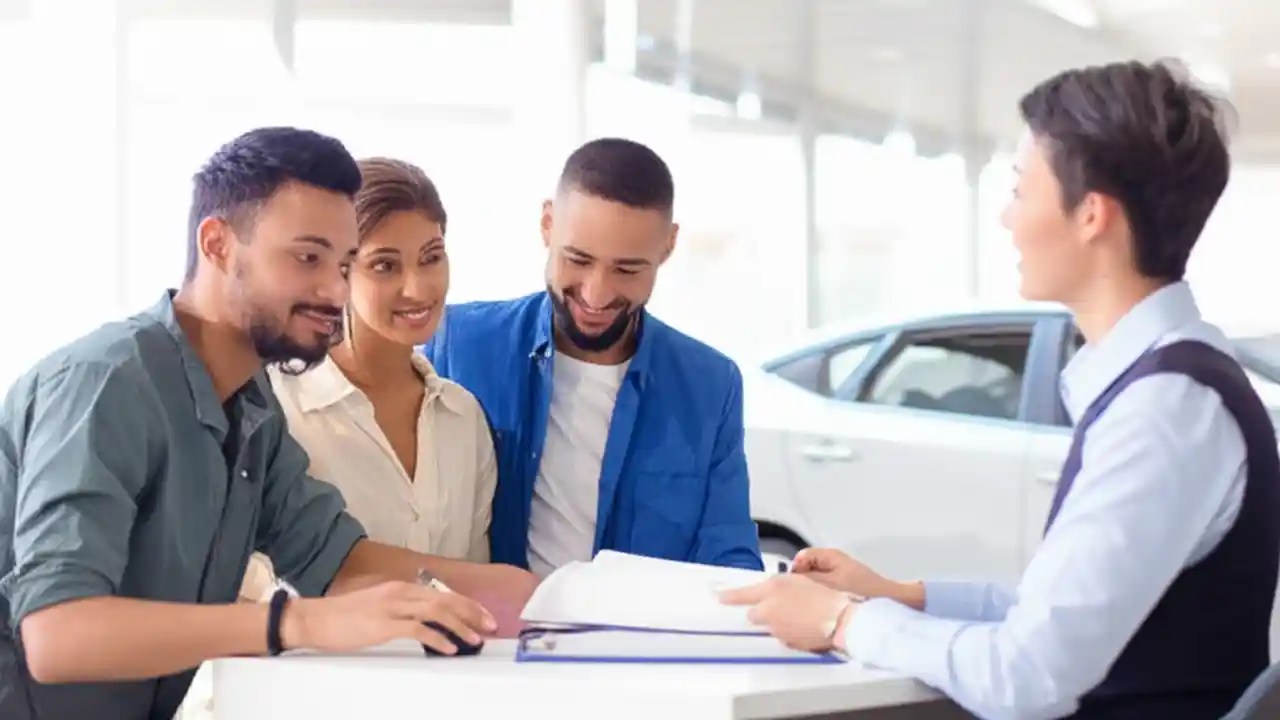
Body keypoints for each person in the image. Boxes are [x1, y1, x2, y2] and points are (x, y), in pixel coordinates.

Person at [722, 60, 1279, 720]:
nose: (1007, 218)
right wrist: (897, 595)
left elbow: (1029, 676)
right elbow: (1050, 616)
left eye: (1020, 189)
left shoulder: (1165, 412)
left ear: (1092, 215)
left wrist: (842, 621)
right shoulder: (1170, 383)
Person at [0, 127, 536, 720]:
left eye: (344, 263)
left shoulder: (251, 404)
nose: (334, 290)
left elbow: (337, 559)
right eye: (308, 258)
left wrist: (543, 596)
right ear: (218, 244)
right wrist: (296, 621)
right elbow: (56, 636)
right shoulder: (105, 383)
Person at [423, 138, 762, 577]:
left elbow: (728, 559)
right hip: (494, 640)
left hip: (638, 641)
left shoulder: (711, 386)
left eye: (627, 269)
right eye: (578, 259)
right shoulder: (458, 344)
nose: (596, 294)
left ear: (668, 245)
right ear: (547, 225)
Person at [240, 157, 496, 603]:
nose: (417, 288)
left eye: (431, 258)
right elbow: (249, 576)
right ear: (341, 271)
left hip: (451, 672)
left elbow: (476, 587)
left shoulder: (463, 416)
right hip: (310, 669)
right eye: (385, 266)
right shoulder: (277, 404)